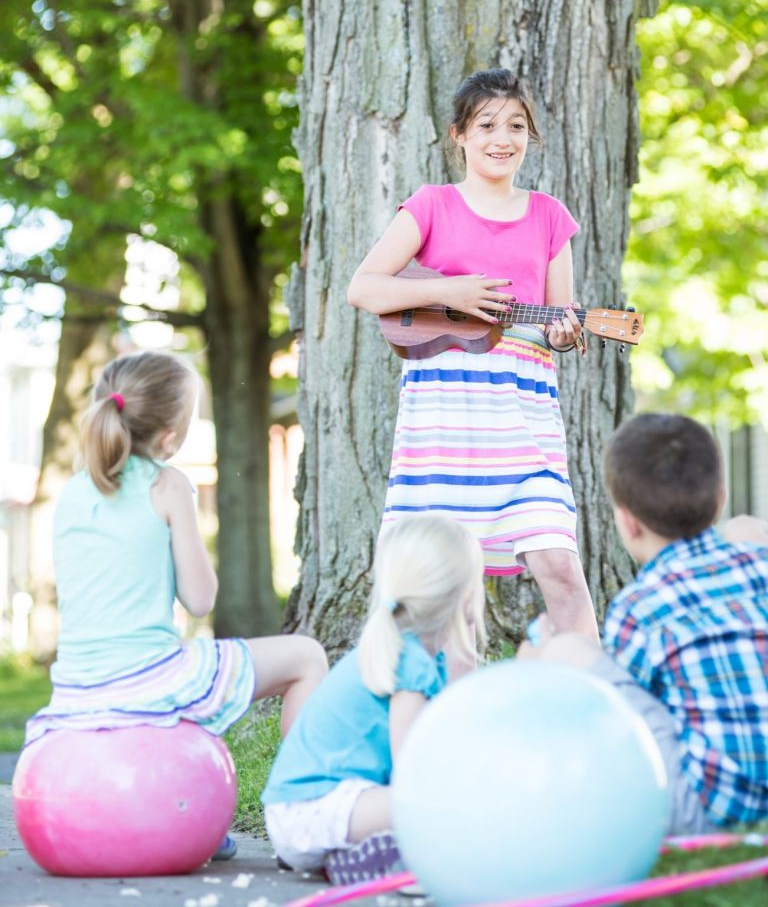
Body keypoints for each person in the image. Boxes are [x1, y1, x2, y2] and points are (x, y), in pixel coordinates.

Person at [25, 350, 328, 860]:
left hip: (78, 687)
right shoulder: (170, 485)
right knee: (306, 658)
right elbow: (201, 597)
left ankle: (188, 810)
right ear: (170, 437)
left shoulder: (73, 492)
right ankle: (302, 818)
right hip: (151, 677)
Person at [347, 68, 598, 640]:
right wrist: (446, 291)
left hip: (523, 418)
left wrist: (565, 333)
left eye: (515, 125)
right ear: (459, 134)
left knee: (558, 563)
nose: (501, 138)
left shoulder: (549, 216)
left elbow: (559, 320)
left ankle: (593, 699)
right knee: (440, 589)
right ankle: (434, 708)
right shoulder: (432, 206)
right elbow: (364, 288)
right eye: (486, 124)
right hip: (445, 417)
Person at [519, 412, 768, 833]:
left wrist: (543, 659)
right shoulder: (757, 563)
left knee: (563, 650)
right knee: (748, 530)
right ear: (721, 498)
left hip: (705, 811)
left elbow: (618, 720)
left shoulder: (639, 606)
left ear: (628, 523)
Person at [261, 514, 487, 884]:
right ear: (465, 596)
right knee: (440, 800)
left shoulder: (411, 653)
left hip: (307, 814)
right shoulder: (409, 663)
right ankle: (373, 861)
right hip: (306, 816)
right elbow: (412, 772)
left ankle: (362, 851)